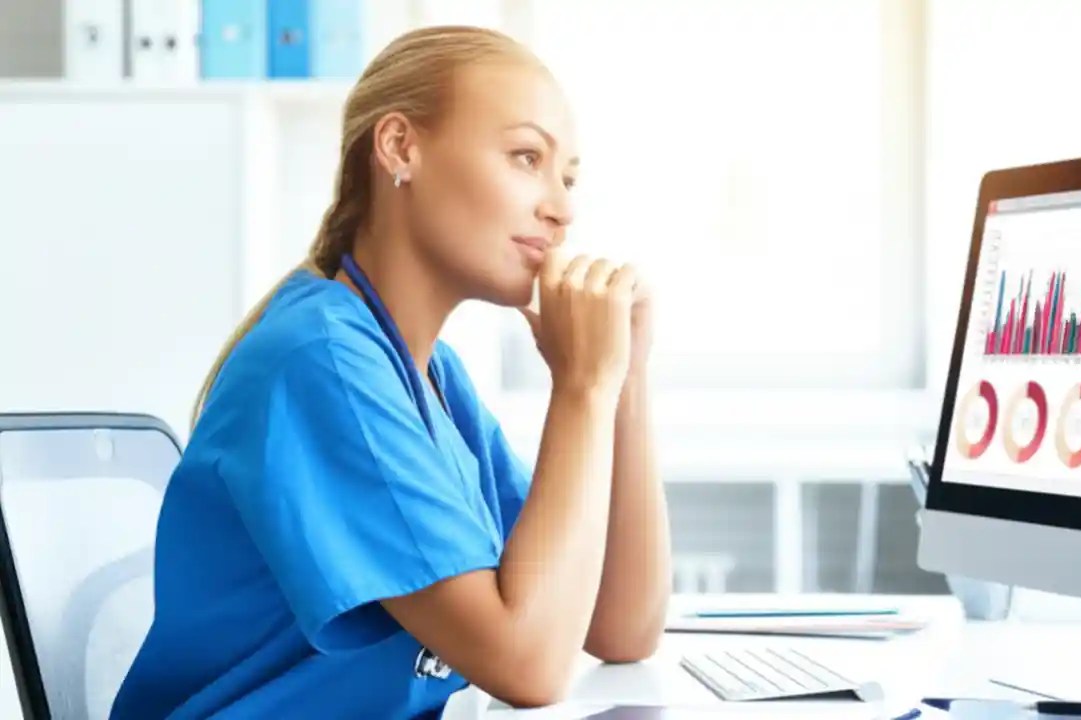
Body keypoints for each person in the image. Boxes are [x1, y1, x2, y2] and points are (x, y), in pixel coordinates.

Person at [111, 25, 671, 719]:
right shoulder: (322, 364)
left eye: (568, 176)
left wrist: (626, 375)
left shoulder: (433, 379)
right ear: (401, 147)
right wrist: (581, 387)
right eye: (526, 157)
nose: (562, 208)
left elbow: (621, 627)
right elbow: (529, 665)